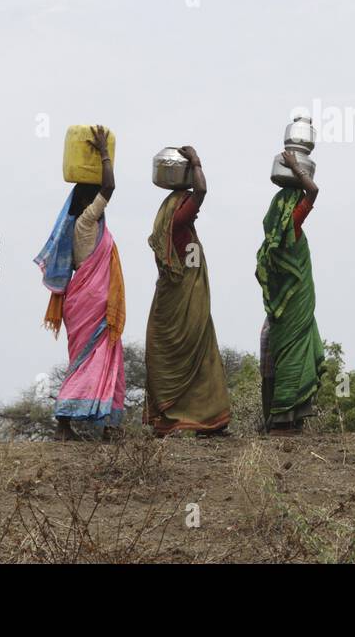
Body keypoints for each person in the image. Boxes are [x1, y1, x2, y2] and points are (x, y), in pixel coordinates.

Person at [35, 126, 127, 441]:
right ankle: (64, 419)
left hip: (87, 301)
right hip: (93, 301)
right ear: (90, 200)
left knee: (102, 359)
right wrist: (103, 151)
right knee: (92, 361)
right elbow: (110, 185)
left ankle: (111, 428)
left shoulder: (86, 223)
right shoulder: (88, 221)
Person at [143, 146, 232, 437]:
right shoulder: (178, 221)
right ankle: (177, 419)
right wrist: (196, 162)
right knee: (197, 354)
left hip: (176, 300)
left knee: (200, 354)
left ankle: (208, 421)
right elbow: (202, 192)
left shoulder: (172, 218)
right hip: (183, 301)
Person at [256, 150, 326, 434]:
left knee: (279, 354)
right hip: (297, 304)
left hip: (280, 309)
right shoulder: (293, 226)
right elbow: (313, 190)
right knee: (294, 354)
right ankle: (286, 417)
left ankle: (281, 417)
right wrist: (297, 167)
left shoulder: (270, 244)